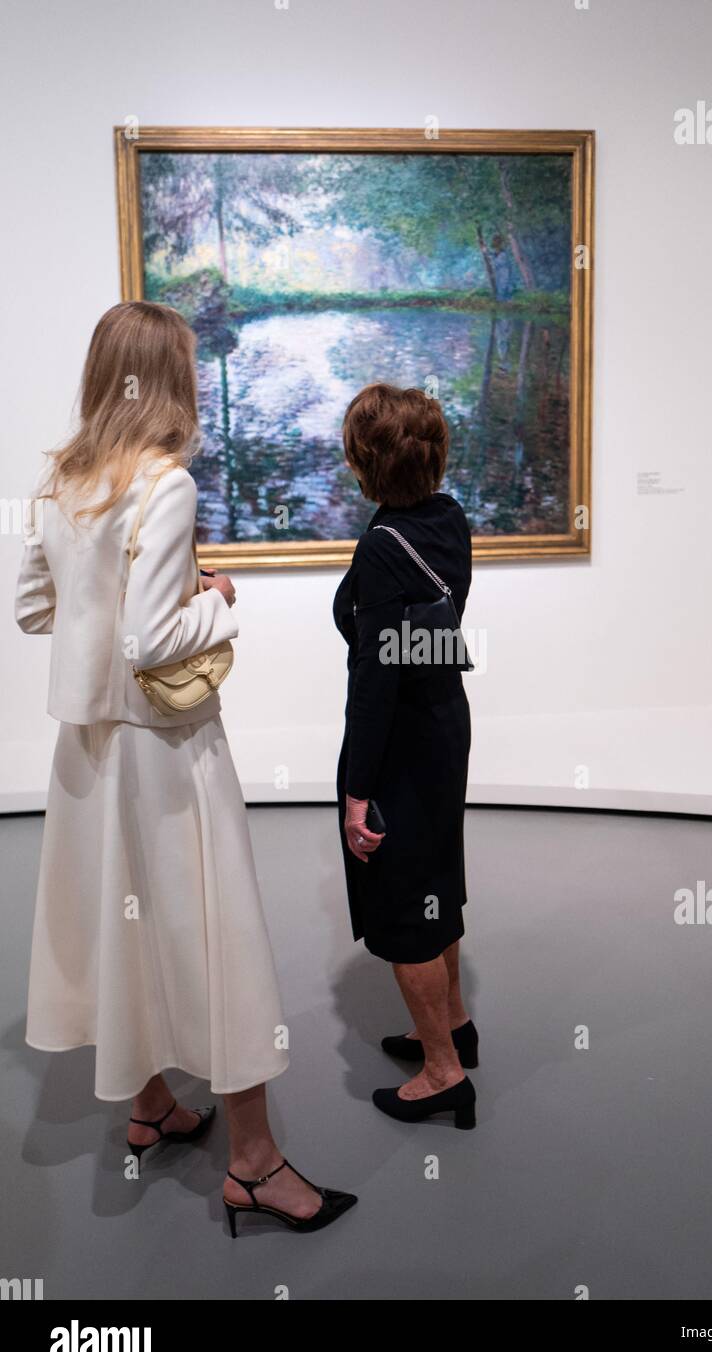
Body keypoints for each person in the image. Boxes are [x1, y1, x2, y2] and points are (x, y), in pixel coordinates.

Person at [15, 301, 356, 1235]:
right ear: (170, 378)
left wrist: (110, 606)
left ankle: (151, 1104)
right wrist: (223, 601)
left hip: (86, 758)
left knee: (123, 926)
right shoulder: (165, 485)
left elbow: (35, 613)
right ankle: (253, 1162)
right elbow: (152, 639)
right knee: (216, 935)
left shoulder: (60, 484)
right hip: (168, 757)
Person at [333, 383, 479, 1129]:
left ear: (366, 460)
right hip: (445, 719)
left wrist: (358, 791)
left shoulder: (383, 545)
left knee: (403, 907)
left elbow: (375, 679)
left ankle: (443, 1073)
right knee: (437, 879)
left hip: (400, 740)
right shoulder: (446, 520)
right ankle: (454, 1025)